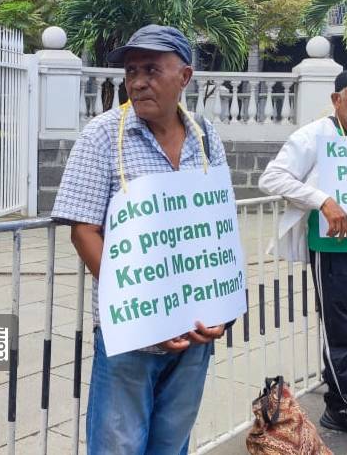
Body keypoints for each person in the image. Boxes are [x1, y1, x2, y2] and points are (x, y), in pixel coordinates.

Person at [50, 25, 228, 454]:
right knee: (119, 446)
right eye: (131, 71)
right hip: (130, 334)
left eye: (151, 69)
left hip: (194, 333)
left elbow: (217, 229)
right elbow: (84, 232)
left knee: (171, 444)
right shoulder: (101, 135)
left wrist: (222, 307)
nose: (138, 82)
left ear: (184, 77)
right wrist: (147, 314)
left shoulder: (205, 138)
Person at [259, 67, 347, 455]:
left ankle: (338, 407)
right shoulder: (313, 136)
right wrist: (322, 200)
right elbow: (273, 178)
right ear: (336, 100)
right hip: (332, 251)